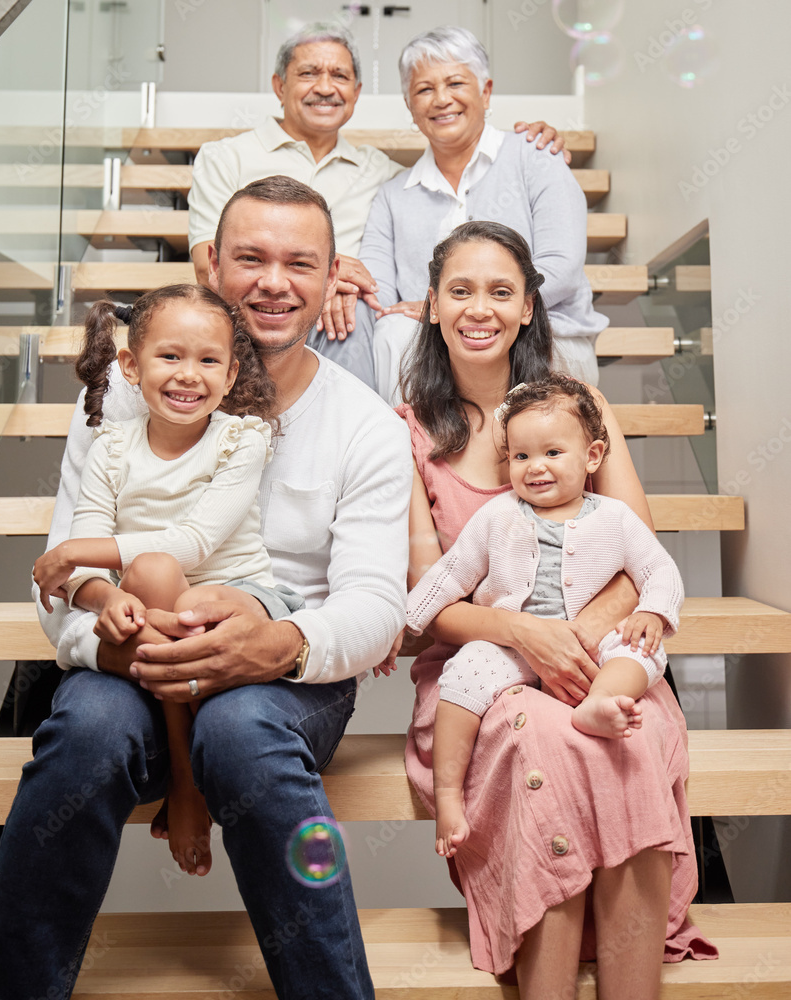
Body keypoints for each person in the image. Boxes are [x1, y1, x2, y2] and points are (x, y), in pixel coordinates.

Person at [0, 176, 412, 1000]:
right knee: (87, 734)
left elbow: (376, 606)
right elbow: (65, 576)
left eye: (299, 264)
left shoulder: (365, 426)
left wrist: (279, 643)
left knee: (241, 732)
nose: (273, 282)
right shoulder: (114, 403)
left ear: (328, 280)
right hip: (133, 664)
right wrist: (115, 634)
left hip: (283, 678)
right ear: (210, 264)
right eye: (249, 258)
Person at [394, 220, 716, 998]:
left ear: (529, 306)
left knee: (626, 735)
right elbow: (430, 600)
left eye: (501, 291)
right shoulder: (405, 430)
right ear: (431, 305)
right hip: (480, 668)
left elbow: (637, 559)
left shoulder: (580, 406)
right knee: (541, 738)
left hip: (599, 655)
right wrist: (520, 633)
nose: (480, 308)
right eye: (460, 291)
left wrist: (570, 642)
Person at [31, 284, 300, 877]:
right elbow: (88, 576)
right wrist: (106, 596)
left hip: (233, 598)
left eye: (208, 361)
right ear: (130, 366)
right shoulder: (110, 448)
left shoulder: (243, 438)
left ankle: (183, 777)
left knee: (157, 568)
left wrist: (80, 557)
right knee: (146, 577)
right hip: (146, 603)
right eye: (170, 356)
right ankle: (185, 776)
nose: (189, 375)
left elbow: (193, 544)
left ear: (231, 376)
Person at [188, 23, 569, 388]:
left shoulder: (384, 173)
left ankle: (364, 447)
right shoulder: (226, 157)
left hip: (340, 318)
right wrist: (323, 278)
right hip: (258, 310)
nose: (325, 87)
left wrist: (334, 285)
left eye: (339, 76)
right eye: (308, 73)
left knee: (352, 318)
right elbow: (212, 269)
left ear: (356, 91)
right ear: (279, 85)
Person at [405, 373, 685, 858]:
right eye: (521, 456)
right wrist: (403, 625)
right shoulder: (496, 517)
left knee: (638, 655)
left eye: (553, 453)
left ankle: (601, 702)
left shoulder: (615, 520)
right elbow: (450, 576)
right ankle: (449, 795)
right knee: (463, 674)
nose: (536, 468)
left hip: (594, 646)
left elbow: (659, 567)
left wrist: (655, 613)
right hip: (512, 647)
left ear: (592, 457)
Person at [346, 25, 607, 403]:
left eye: (455, 83)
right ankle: (409, 458)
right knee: (392, 332)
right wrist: (442, 317)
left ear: (485, 92)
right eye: (423, 89)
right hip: (439, 350)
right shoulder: (392, 196)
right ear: (409, 106)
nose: (440, 100)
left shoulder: (535, 156)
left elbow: (562, 267)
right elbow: (378, 293)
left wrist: (458, 308)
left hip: (546, 339)